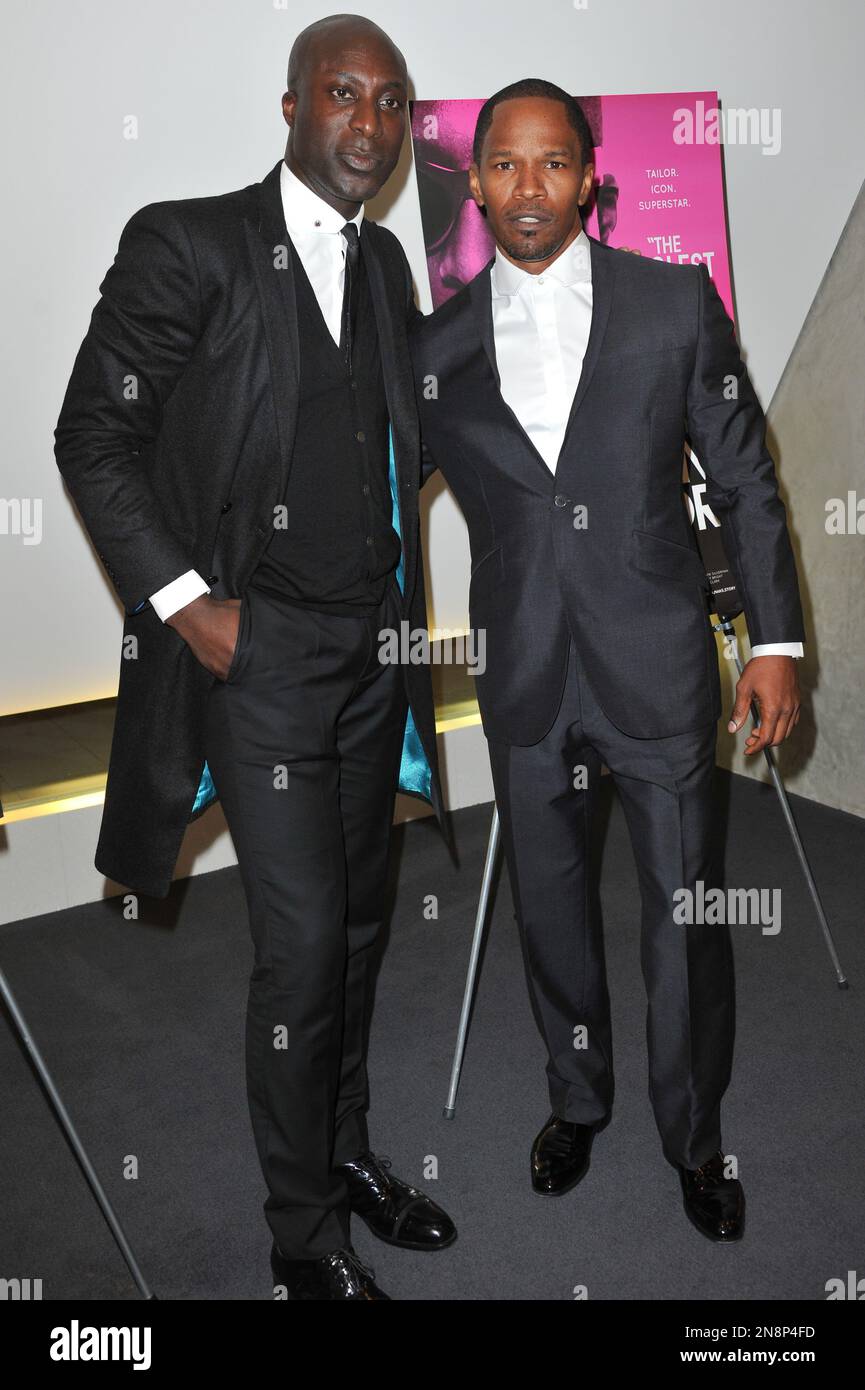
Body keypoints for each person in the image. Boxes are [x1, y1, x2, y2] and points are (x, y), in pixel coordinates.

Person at [54, 13, 456, 1301]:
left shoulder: (390, 267)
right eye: (343, 94)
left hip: (367, 660)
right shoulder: (192, 243)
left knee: (358, 930)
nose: (370, 124)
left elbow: (393, 442)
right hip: (258, 661)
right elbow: (89, 436)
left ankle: (347, 1161)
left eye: (391, 103)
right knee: (298, 948)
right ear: (291, 108)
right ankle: (304, 1244)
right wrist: (189, 605)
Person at [409, 78, 804, 1243]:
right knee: (552, 912)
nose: (527, 188)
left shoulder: (676, 304)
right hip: (526, 676)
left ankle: (694, 1136)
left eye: (551, 164)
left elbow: (742, 480)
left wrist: (772, 640)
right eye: (503, 167)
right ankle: (576, 1100)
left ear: (590, 176)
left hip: (660, 670)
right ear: (475, 185)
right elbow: (380, 500)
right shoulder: (435, 345)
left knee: (684, 915)